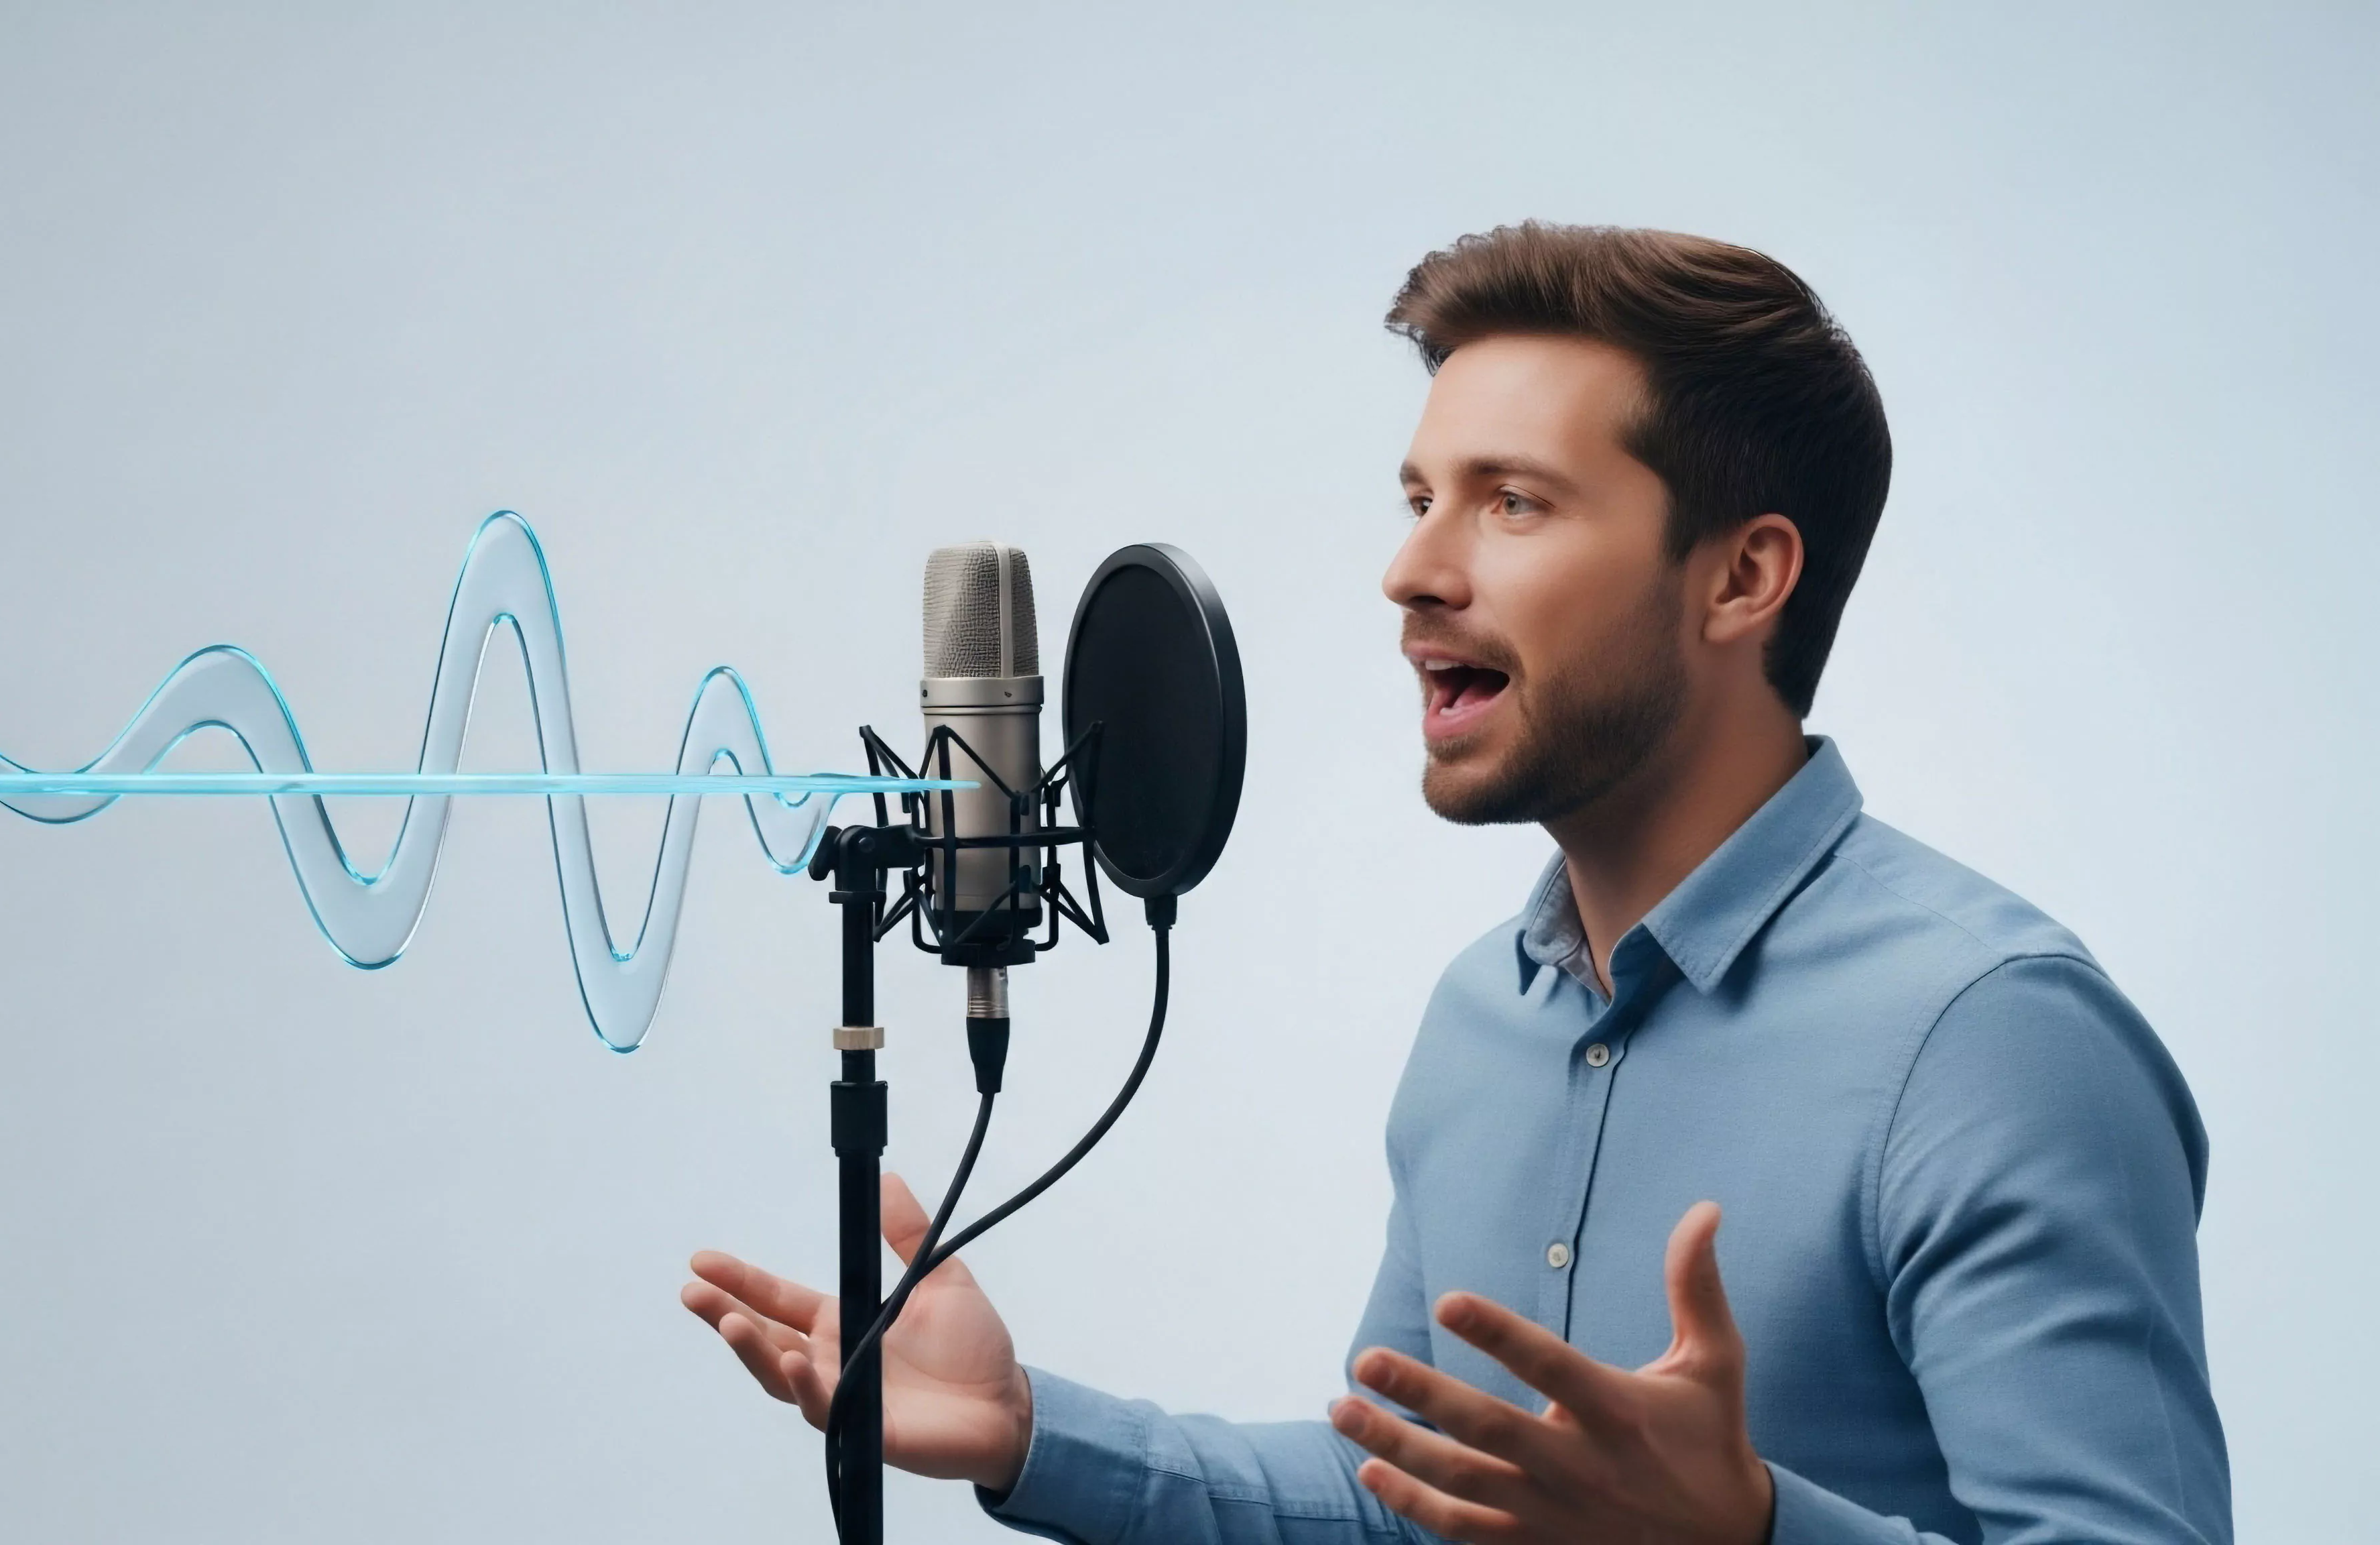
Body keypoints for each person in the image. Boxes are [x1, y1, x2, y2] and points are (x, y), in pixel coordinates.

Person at [680, 223, 2232, 1544]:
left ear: (1743, 578)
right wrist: (1031, 1433)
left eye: (1514, 501)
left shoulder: (1993, 1040)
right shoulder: (1482, 1015)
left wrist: (1754, 1530)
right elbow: (1405, 1494)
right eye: (1421, 497)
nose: (1414, 572)